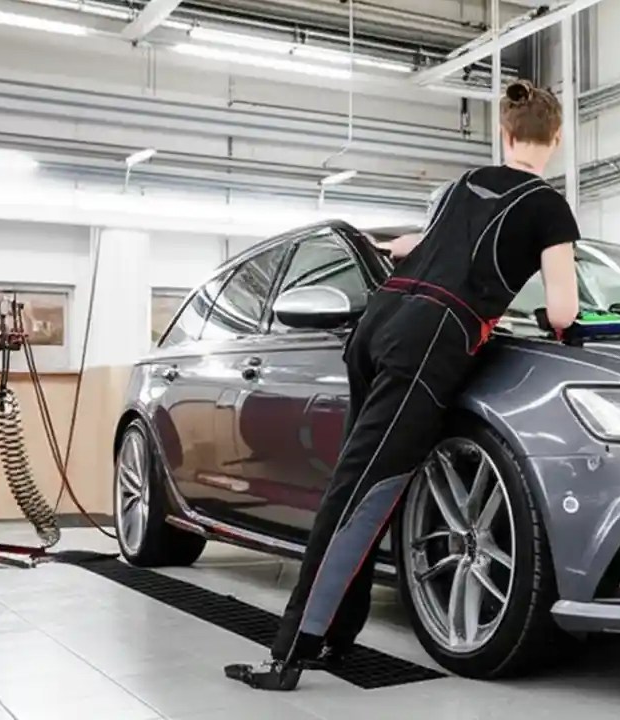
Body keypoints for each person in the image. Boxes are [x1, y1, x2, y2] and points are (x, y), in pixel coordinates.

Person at [224, 79, 581, 691]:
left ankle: (337, 636)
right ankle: (290, 655)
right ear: (556, 138)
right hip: (429, 342)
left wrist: (392, 248)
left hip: (379, 321)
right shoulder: (548, 205)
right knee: (363, 493)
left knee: (361, 483)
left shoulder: (461, 184)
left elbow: (417, 245)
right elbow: (562, 311)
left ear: (505, 132)